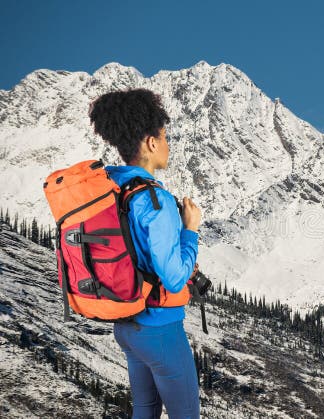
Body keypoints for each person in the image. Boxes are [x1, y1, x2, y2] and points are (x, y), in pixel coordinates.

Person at [88, 87, 202, 418]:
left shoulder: (113, 187)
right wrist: (190, 229)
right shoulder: (156, 200)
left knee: (145, 410)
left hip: (127, 324)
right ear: (151, 143)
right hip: (160, 328)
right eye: (164, 137)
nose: (167, 145)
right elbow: (174, 275)